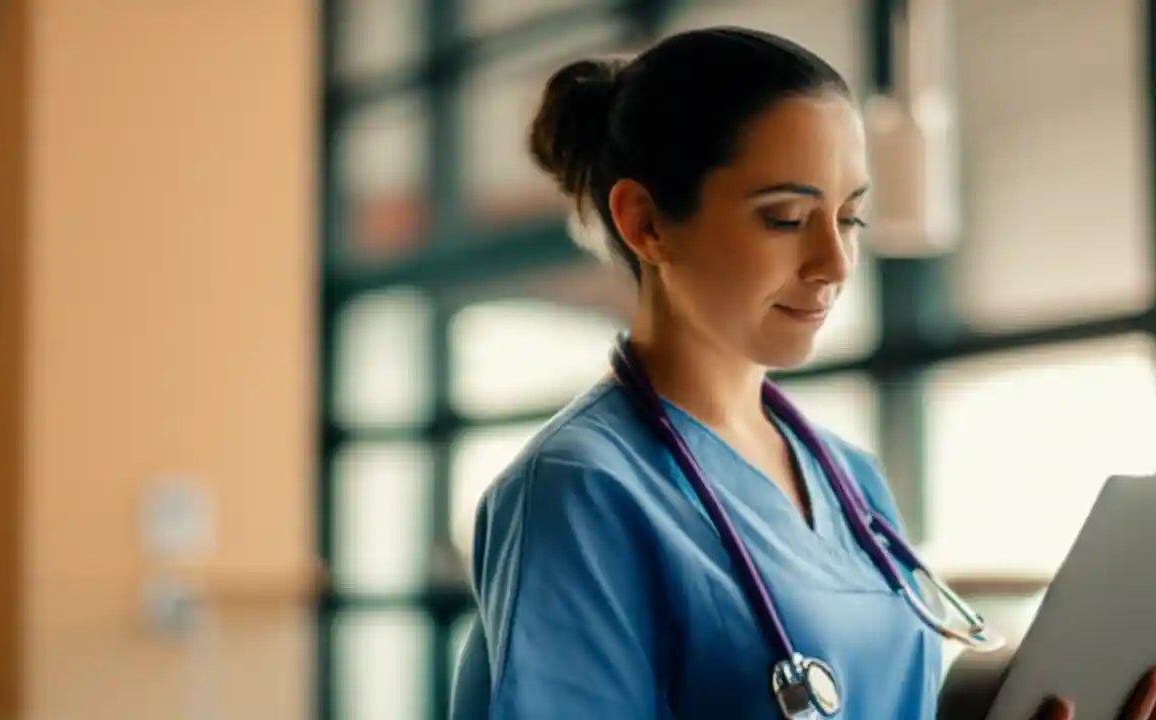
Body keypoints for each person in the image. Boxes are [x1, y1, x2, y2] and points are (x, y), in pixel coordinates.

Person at [448, 26, 1156, 719]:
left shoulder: (849, 479)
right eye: (786, 218)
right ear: (645, 222)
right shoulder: (582, 490)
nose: (836, 264)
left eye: (850, 219)